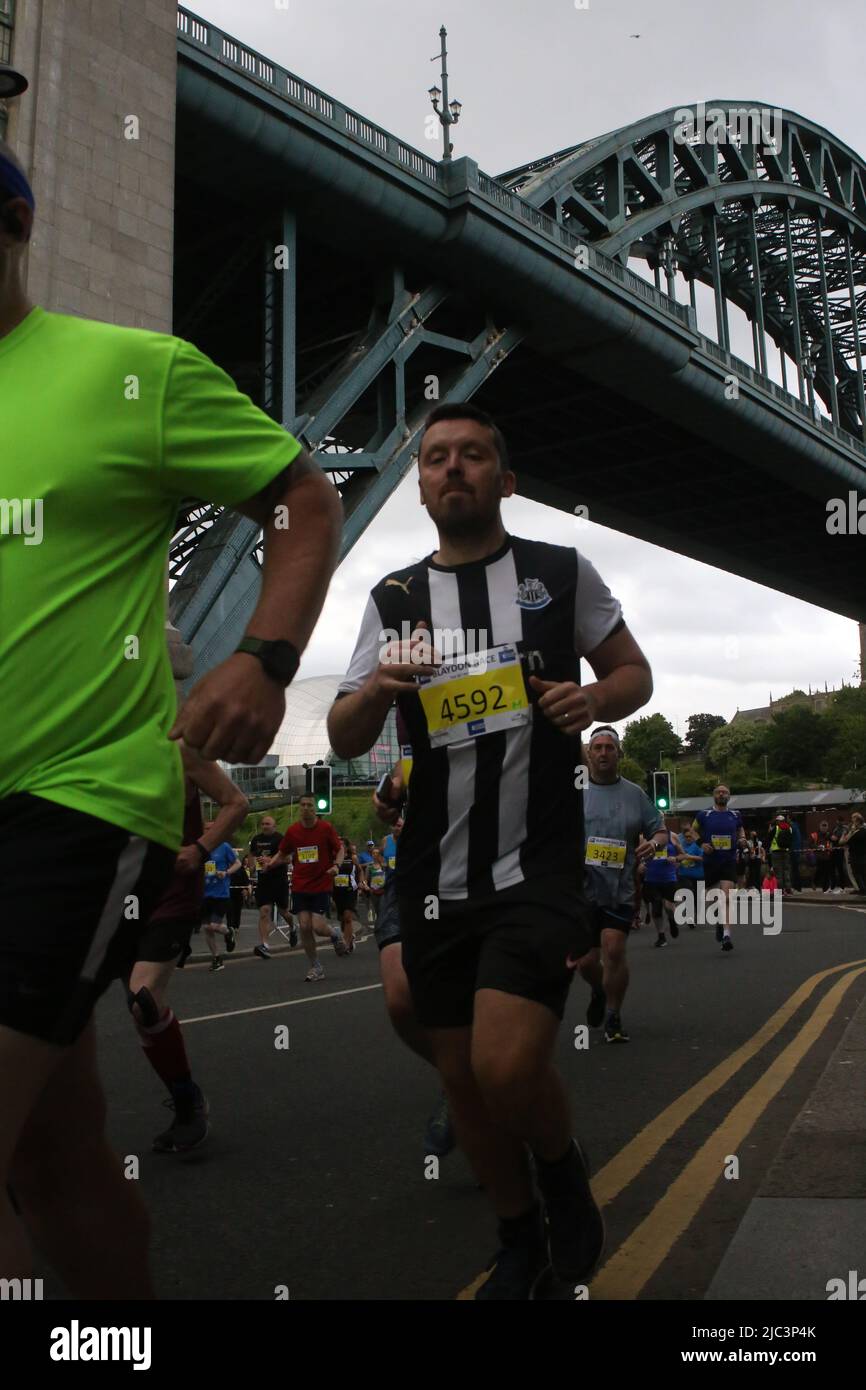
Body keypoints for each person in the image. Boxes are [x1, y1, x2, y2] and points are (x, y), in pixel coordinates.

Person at [0, 138, 342, 1293]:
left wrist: (264, 654)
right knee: (51, 1148)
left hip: (70, 799)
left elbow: (302, 492)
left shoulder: (127, 372)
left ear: (15, 228)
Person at [328, 400, 653, 1299]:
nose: (453, 469)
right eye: (436, 459)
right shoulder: (393, 598)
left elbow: (634, 673)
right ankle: (520, 1240)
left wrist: (595, 701)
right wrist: (377, 687)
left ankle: (559, 1164)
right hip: (433, 873)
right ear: (422, 487)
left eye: (473, 455)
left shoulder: (559, 572)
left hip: (537, 865)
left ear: (504, 480)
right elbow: (347, 731)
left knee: (506, 1063)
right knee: (463, 1077)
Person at [129, 631, 249, 1152]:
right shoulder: (95, 745)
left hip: (172, 889)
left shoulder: (179, 745)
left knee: (143, 1000)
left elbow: (235, 802)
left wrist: (198, 852)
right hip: (118, 893)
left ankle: (186, 1102)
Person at [577, 728, 667, 1043]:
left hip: (620, 887)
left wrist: (654, 846)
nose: (602, 753)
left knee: (614, 950)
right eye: (597, 747)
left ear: (619, 754)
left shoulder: (634, 794)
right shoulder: (576, 790)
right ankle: (599, 990)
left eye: (609, 748)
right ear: (589, 753)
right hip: (582, 889)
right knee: (586, 962)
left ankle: (613, 1016)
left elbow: (661, 831)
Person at [264, 794, 347, 981]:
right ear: (299, 808)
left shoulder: (325, 828)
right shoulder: (293, 831)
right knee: (304, 926)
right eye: (303, 805)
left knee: (317, 927)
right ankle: (316, 966)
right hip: (301, 884)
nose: (306, 808)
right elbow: (282, 852)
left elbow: (339, 849)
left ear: (315, 808)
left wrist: (336, 866)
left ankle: (334, 933)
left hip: (321, 883)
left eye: (310, 805)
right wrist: (271, 863)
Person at [693, 786, 747, 952]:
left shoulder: (735, 815)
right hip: (710, 861)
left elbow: (740, 829)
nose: (721, 794)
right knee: (712, 899)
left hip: (728, 861)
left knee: (726, 897)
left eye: (725, 792)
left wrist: (743, 839)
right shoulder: (704, 814)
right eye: (718, 792)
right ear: (714, 796)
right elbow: (693, 831)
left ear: (729, 796)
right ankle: (719, 920)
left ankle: (726, 935)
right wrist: (701, 843)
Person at [250, 815, 297, 957]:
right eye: (263, 823)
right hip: (263, 881)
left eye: (268, 824)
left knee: (284, 912)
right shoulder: (256, 839)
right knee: (264, 911)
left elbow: (288, 858)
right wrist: (252, 866)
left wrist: (270, 862)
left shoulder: (280, 839)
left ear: (274, 826)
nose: (265, 826)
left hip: (279, 880)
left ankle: (292, 926)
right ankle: (265, 945)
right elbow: (252, 854)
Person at [201, 832, 243, 972]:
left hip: (220, 894)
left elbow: (237, 863)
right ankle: (217, 958)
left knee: (213, 925)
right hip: (204, 893)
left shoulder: (224, 846)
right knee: (207, 928)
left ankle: (228, 932)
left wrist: (226, 872)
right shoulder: (201, 848)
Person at [642, 827, 682, 948]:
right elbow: (637, 855)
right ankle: (661, 936)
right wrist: (640, 864)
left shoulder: (673, 836)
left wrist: (675, 859)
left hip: (669, 878)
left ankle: (672, 921)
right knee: (656, 907)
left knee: (669, 906)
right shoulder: (644, 838)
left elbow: (682, 854)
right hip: (651, 878)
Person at [332, 838, 362, 952]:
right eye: (338, 844)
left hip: (351, 890)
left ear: (346, 846)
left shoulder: (352, 858)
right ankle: (350, 936)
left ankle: (346, 943)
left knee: (348, 917)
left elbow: (360, 871)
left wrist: (361, 883)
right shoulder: (333, 859)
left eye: (342, 844)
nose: (340, 846)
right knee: (342, 919)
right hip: (338, 891)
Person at [676, 826, 705, 924]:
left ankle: (695, 913)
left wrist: (689, 857)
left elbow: (703, 858)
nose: (688, 838)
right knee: (688, 894)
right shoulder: (681, 846)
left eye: (690, 836)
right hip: (684, 875)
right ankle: (690, 916)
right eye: (686, 837)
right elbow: (676, 858)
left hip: (699, 875)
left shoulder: (698, 845)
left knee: (698, 899)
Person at [840, 814, 866, 894]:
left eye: (853, 821)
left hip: (855, 856)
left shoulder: (855, 833)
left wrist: (845, 833)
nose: (852, 823)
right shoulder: (864, 831)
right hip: (863, 855)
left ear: (857, 822)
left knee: (856, 873)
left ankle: (862, 890)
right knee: (863, 873)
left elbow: (842, 842)